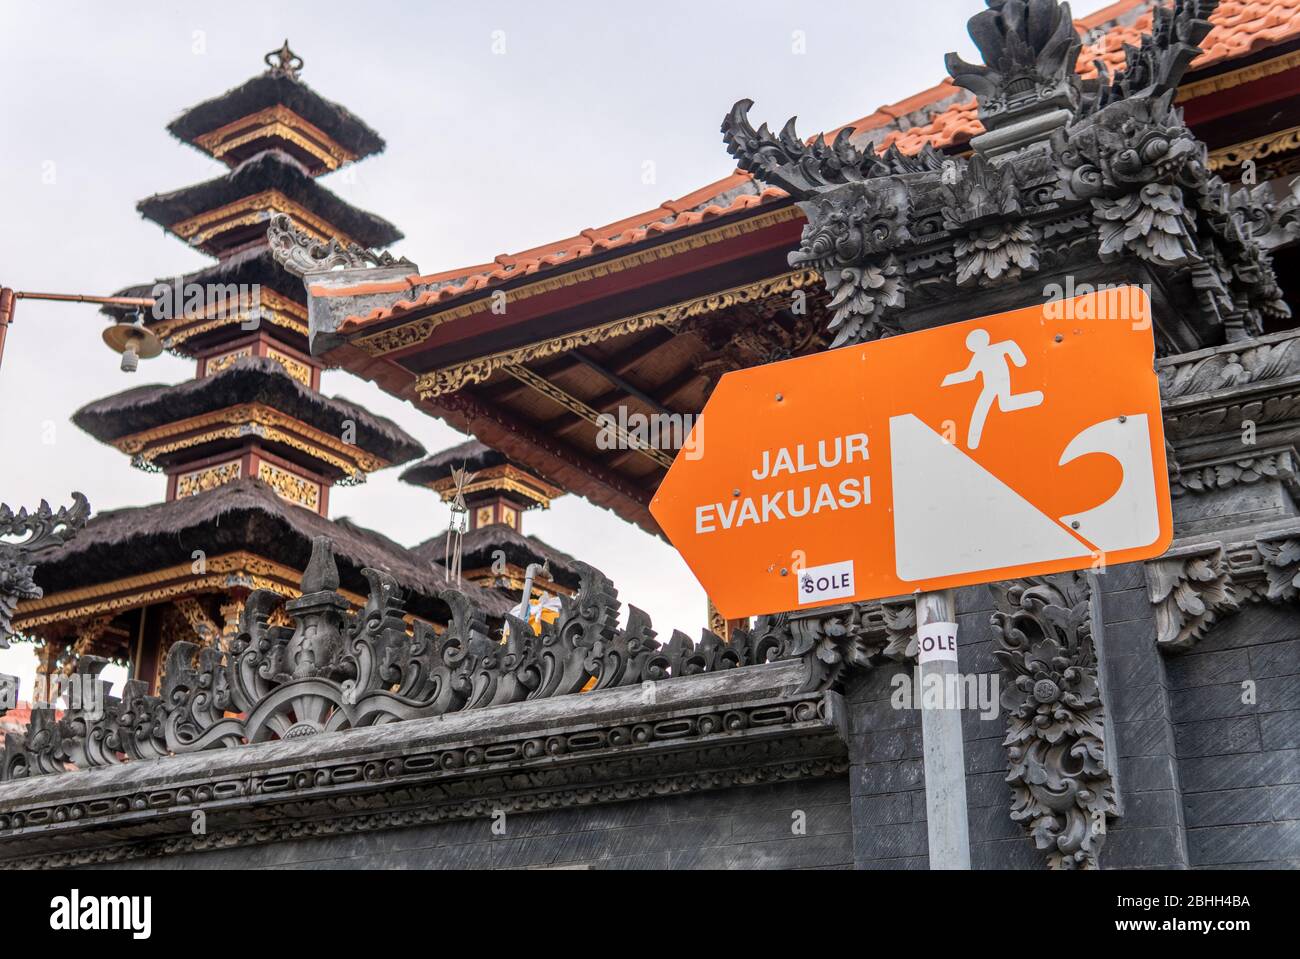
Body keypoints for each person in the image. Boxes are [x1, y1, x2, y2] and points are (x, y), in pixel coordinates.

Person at [941, 329, 1043, 449]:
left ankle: (972, 443)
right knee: (1002, 405)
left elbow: (1010, 345)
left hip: (1001, 382)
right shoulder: (979, 356)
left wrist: (1019, 360)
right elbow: (970, 374)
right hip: (992, 384)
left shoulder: (995, 348)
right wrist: (948, 379)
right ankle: (1036, 397)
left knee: (987, 408)